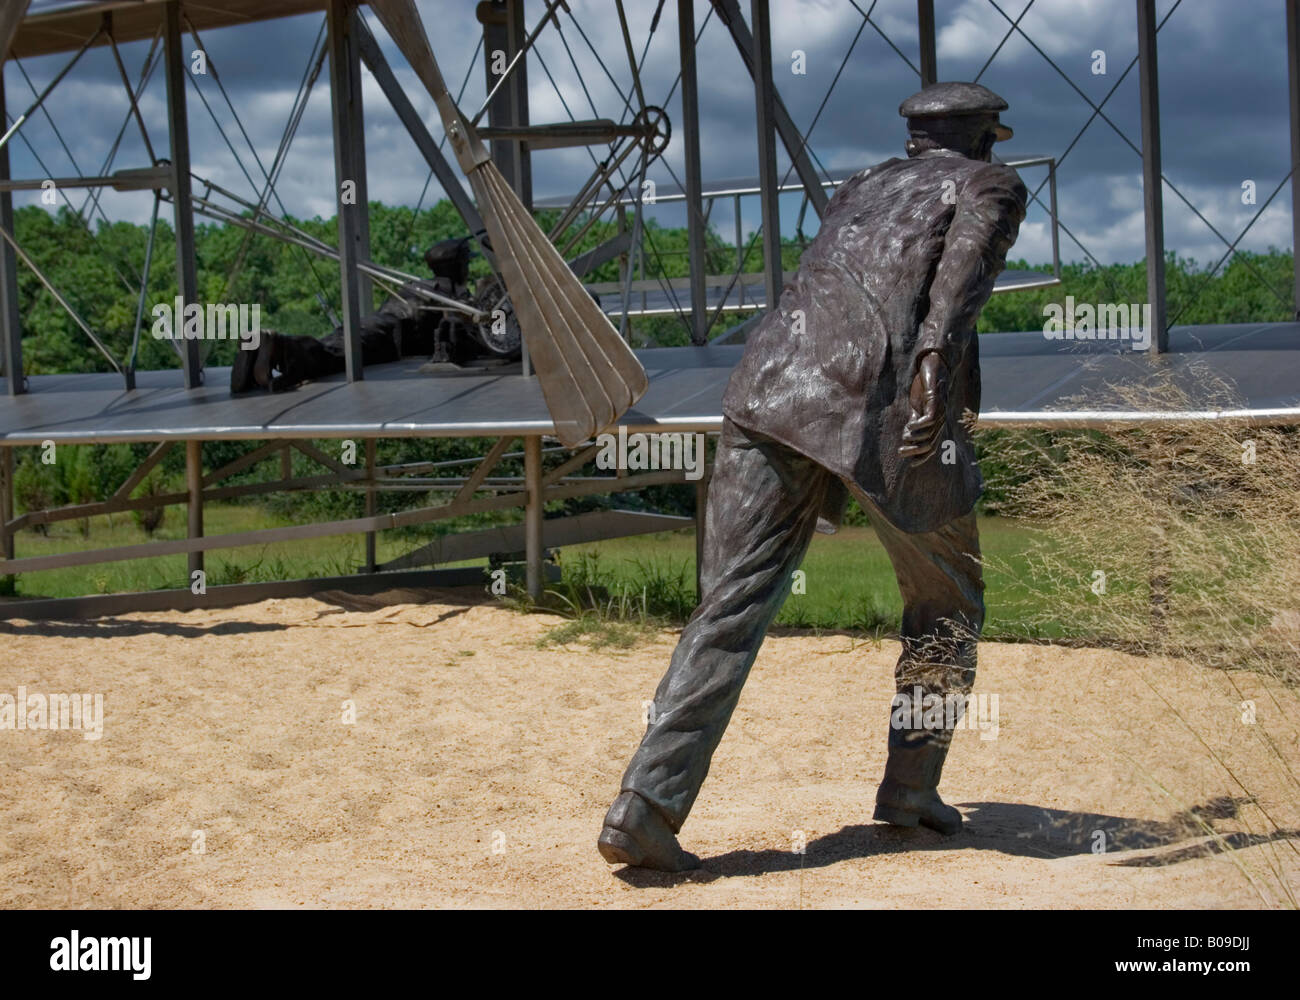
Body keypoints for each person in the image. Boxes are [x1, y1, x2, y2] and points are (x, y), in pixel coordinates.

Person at [597, 81, 1028, 872]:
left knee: (729, 604)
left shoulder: (859, 186)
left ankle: (645, 803)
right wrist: (934, 366)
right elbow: (959, 284)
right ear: (985, 139)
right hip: (879, 406)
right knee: (949, 598)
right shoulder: (988, 184)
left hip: (767, 387)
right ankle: (910, 788)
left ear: (915, 139)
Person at [230, 236, 493, 393]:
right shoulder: (454, 295)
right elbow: (478, 332)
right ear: (458, 265)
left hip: (373, 323)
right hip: (389, 339)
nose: (468, 268)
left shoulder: (414, 285)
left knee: (335, 342)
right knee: (336, 356)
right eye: (466, 262)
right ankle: (280, 349)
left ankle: (266, 351)